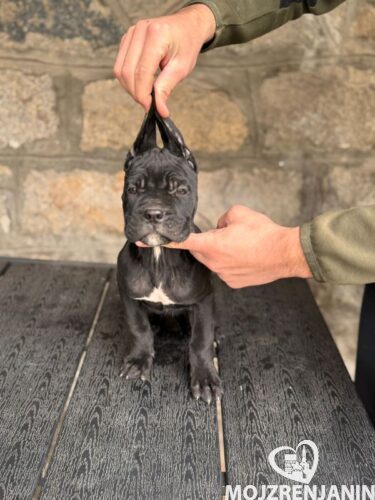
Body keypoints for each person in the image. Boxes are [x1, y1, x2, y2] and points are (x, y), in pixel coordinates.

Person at [113, 0, 375, 422]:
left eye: (176, 189)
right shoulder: (127, 264)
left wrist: (296, 249)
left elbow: (203, 303)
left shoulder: (193, 267)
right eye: (139, 190)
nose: (156, 209)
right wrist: (205, 16)